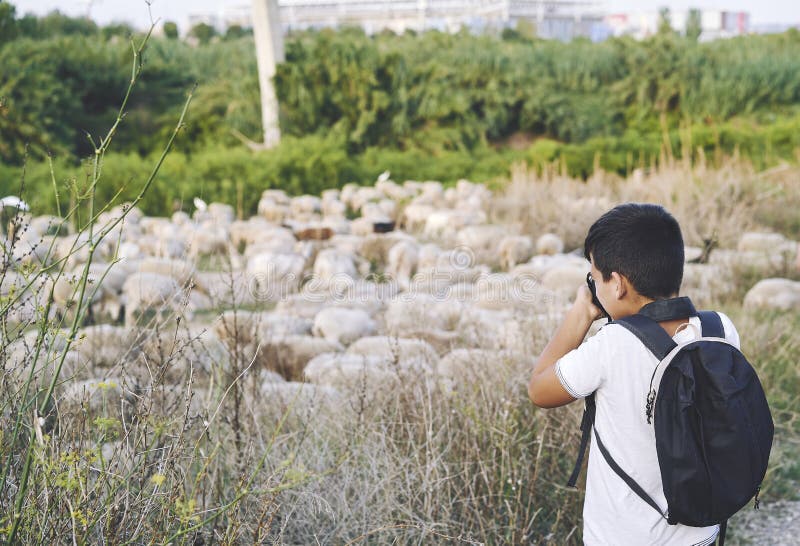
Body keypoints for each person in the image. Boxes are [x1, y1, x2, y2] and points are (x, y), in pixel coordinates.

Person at [528, 203, 740, 545]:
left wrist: (581, 312)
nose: (593, 286)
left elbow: (539, 389)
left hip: (625, 536)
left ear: (618, 284)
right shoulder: (720, 329)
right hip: (701, 530)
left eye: (595, 277)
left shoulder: (611, 345)